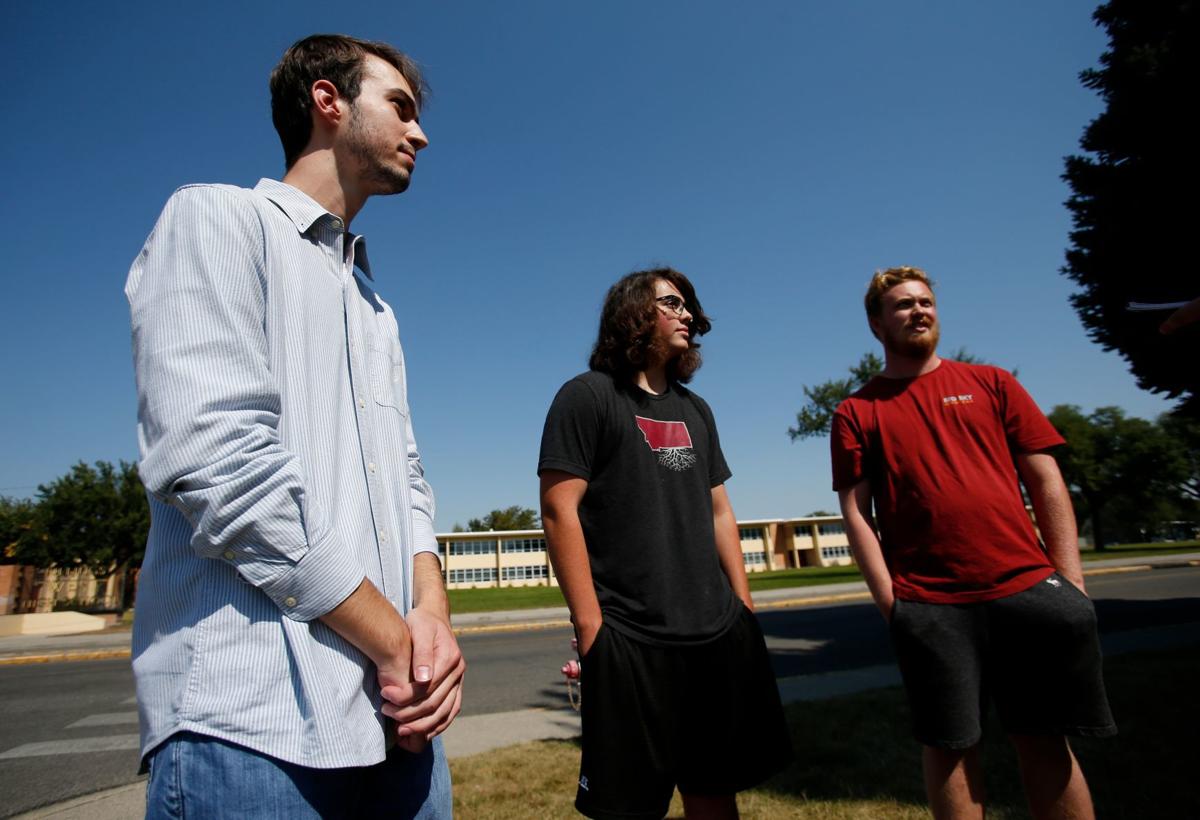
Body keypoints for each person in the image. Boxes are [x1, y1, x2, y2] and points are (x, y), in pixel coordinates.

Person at [125, 34, 463, 819]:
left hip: (398, 730)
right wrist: (396, 644)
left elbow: (408, 481)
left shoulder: (377, 308)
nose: (422, 134)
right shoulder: (215, 218)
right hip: (252, 733)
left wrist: (433, 619)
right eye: (401, 108)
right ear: (327, 101)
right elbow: (220, 467)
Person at [831, 266, 1116, 820]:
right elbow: (855, 513)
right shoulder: (857, 411)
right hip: (931, 606)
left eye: (925, 301)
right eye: (902, 305)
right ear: (876, 324)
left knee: (1044, 738)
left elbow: (1046, 479)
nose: (918, 311)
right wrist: (893, 604)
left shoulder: (993, 383)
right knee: (950, 749)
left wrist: (1071, 580)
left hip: (1027, 590)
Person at [539, 267, 791, 820]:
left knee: (713, 790)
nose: (688, 315)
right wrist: (591, 628)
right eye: (672, 303)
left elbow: (721, 513)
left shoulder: (697, 409)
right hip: (629, 638)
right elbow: (560, 510)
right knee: (628, 806)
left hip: (714, 636)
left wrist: (744, 609)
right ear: (634, 314)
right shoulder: (588, 397)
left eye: (689, 307)